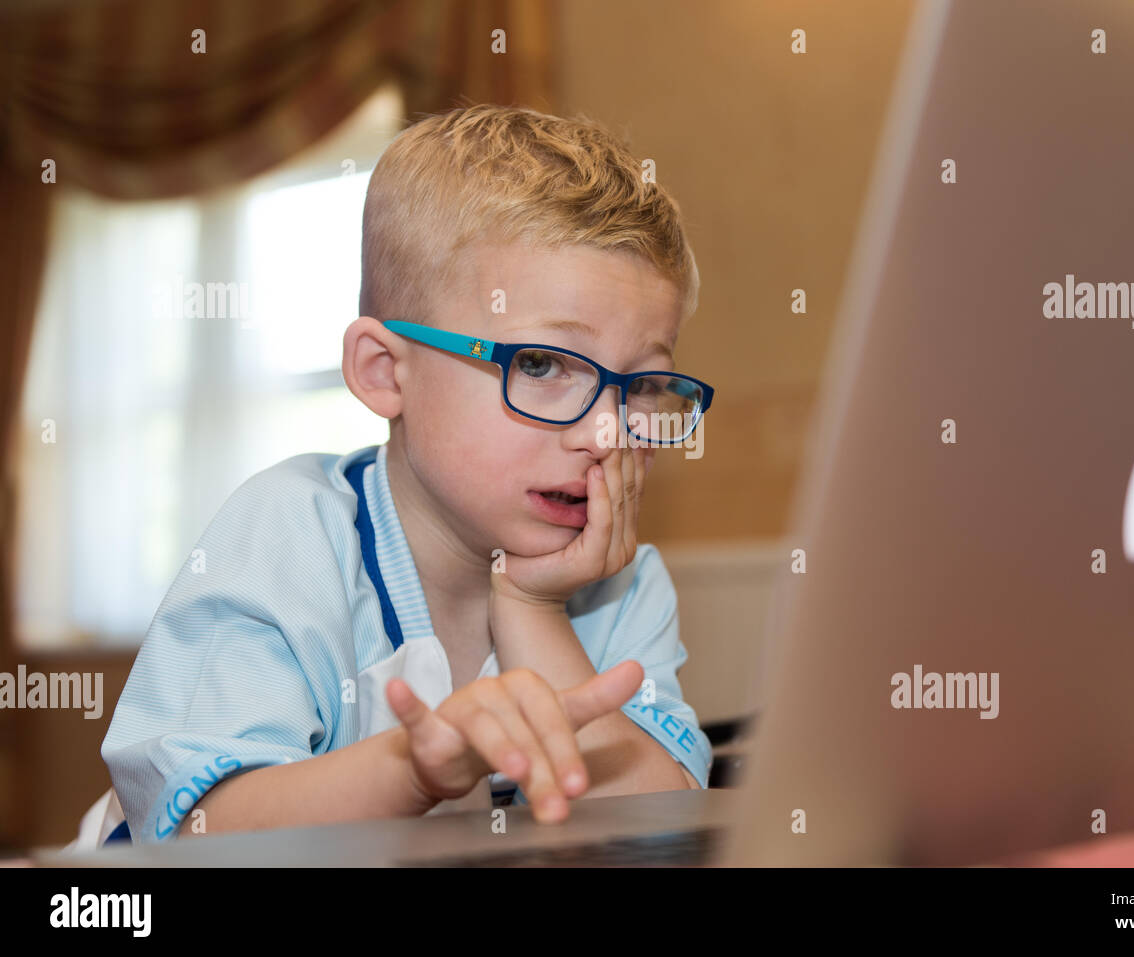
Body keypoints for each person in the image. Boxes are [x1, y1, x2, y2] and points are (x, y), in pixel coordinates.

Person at [96, 104, 715, 845]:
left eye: (643, 384)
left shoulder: (624, 584)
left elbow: (664, 834)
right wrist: (411, 770)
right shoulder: (288, 535)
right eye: (542, 364)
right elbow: (199, 831)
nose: (606, 430)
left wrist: (532, 610)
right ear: (386, 372)